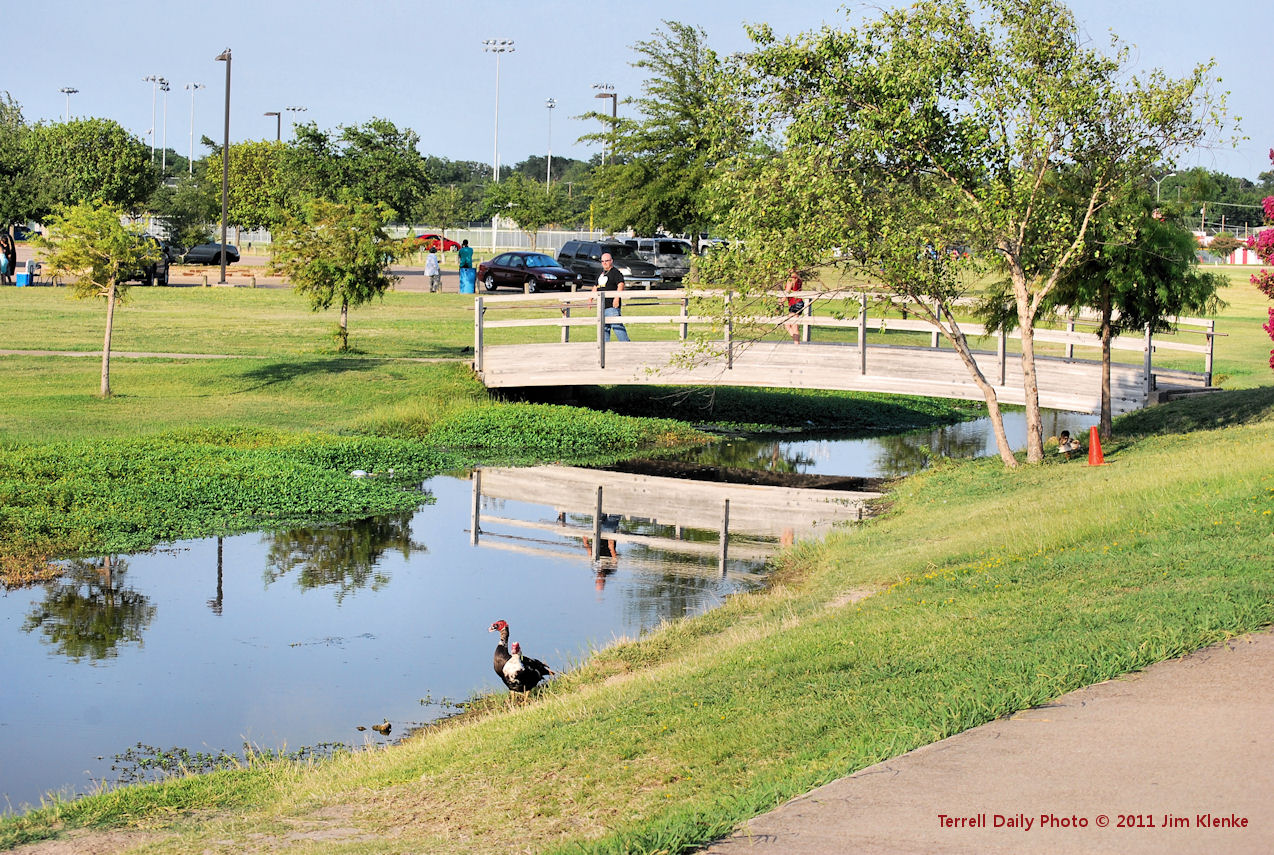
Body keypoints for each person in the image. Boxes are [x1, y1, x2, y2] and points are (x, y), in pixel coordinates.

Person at [593, 252, 629, 342]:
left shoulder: (615, 272)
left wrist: (617, 298)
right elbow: (595, 286)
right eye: (602, 261)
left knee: (617, 327)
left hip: (611, 307)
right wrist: (590, 298)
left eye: (606, 261)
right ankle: (605, 349)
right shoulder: (600, 274)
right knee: (603, 330)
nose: (604, 263)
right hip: (601, 306)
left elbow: (620, 284)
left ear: (611, 261)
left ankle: (627, 345)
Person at [783, 269, 805, 343]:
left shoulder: (791, 280)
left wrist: (781, 301)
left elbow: (787, 292)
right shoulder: (798, 279)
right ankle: (796, 341)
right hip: (798, 303)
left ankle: (797, 343)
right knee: (788, 324)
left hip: (795, 303)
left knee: (793, 325)